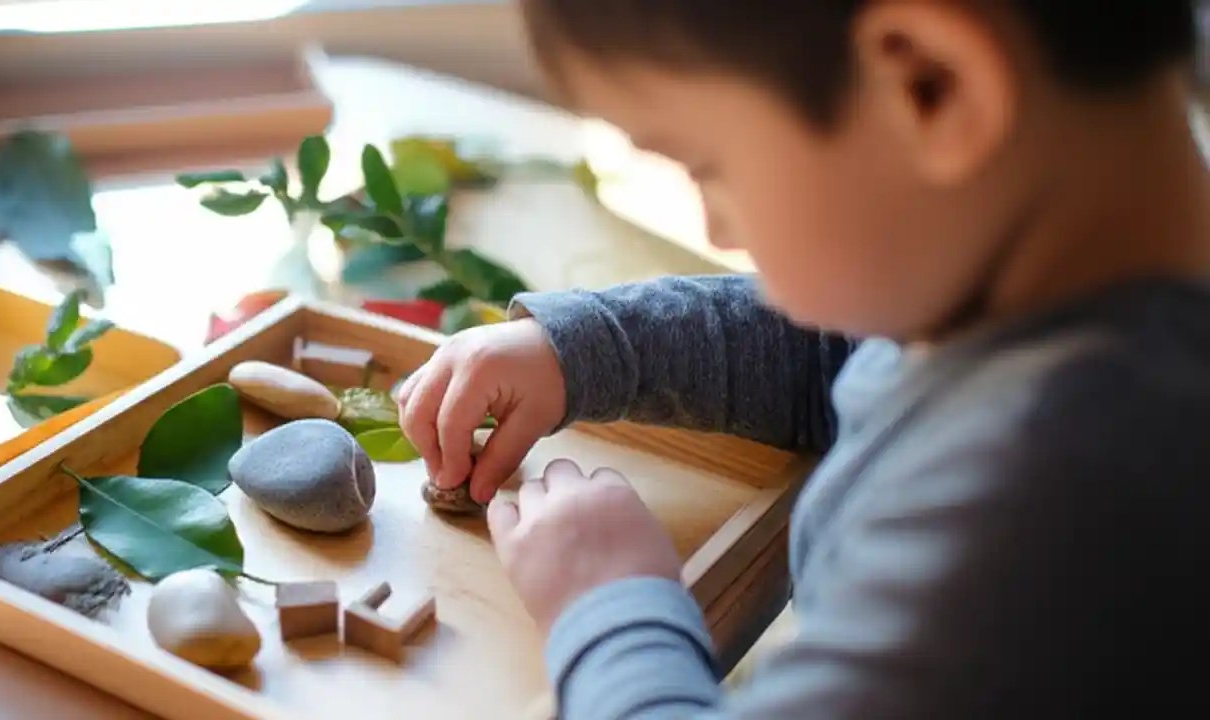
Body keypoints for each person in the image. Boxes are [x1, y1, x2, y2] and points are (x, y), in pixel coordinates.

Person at [396, 1, 1210, 717]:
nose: (715, 226)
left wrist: (611, 605)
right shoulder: (1026, 278)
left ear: (931, 86)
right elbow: (845, 352)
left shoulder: (1046, 515)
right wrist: (584, 349)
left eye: (705, 165)